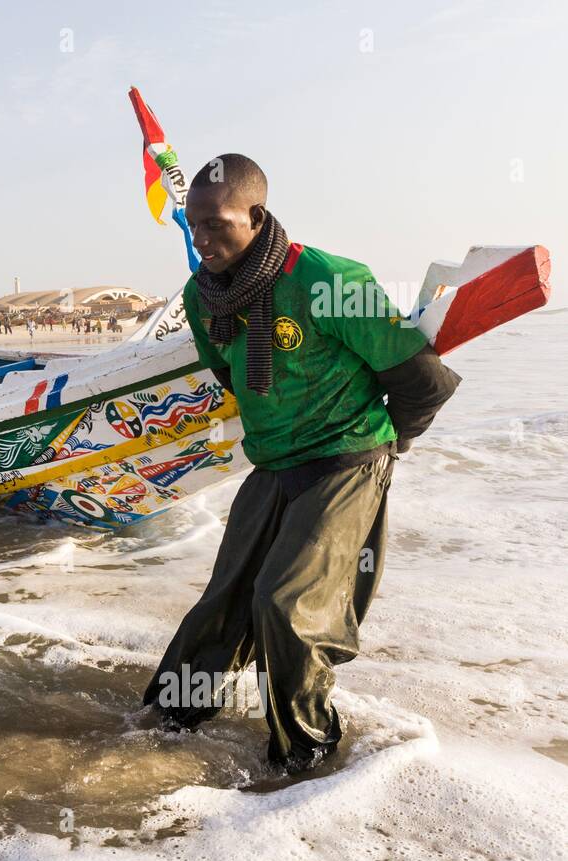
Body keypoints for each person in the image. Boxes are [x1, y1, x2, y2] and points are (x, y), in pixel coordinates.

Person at [140, 154, 461, 773]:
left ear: (256, 217)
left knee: (285, 605)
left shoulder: (328, 281)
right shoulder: (201, 294)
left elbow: (426, 382)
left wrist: (386, 455)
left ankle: (306, 756)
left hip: (346, 457)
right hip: (276, 463)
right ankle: (167, 725)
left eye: (217, 223)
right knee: (225, 600)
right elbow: (233, 376)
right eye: (193, 224)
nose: (202, 238)